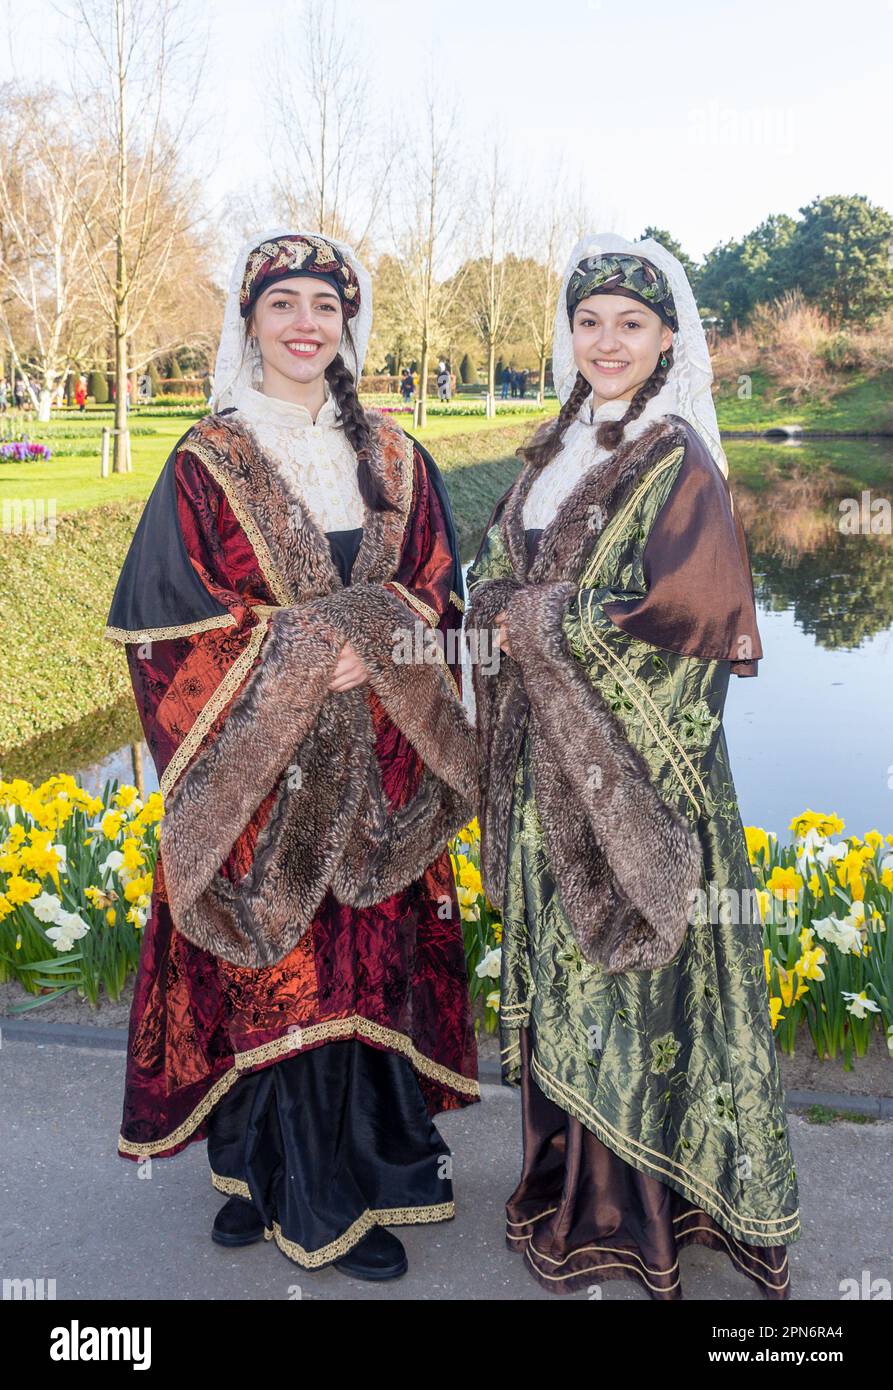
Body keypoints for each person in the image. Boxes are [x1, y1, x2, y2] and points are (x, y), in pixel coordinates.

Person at [105, 228, 479, 1281]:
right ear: (251, 322)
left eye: (325, 305)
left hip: (379, 759)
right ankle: (278, 1177)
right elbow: (166, 627)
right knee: (281, 970)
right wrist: (308, 658)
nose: (305, 323)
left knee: (368, 960)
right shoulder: (204, 460)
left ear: (345, 325)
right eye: (284, 305)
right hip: (260, 771)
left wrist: (377, 644)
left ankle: (373, 1165)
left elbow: (442, 590)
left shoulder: (397, 457)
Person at [465, 231, 800, 1300]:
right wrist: (495, 613)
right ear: (567, 333)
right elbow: (492, 574)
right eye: (588, 320)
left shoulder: (674, 455)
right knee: (565, 979)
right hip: (539, 777)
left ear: (666, 338)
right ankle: (568, 1181)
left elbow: (694, 621)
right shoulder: (552, 449)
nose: (605, 341)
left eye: (630, 323)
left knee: (625, 983)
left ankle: (629, 1213)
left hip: (632, 783)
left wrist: (545, 623)